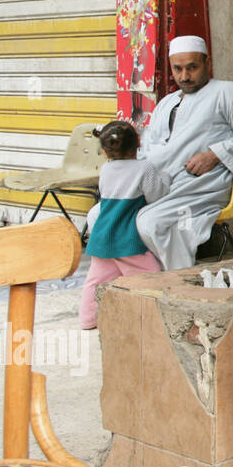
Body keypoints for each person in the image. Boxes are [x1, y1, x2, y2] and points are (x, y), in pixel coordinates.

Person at [136, 36, 233, 270]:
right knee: (101, 217)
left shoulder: (227, 92)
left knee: (150, 223)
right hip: (159, 183)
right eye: (178, 69)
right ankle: (140, 281)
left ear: (208, 62)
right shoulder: (167, 102)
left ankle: (178, 280)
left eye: (192, 67)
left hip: (200, 187)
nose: (184, 76)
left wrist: (214, 155)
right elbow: (149, 146)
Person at [79, 121, 170, 329]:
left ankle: (87, 319)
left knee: (95, 281)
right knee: (151, 276)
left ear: (104, 151)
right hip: (126, 238)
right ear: (137, 143)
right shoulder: (144, 167)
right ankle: (155, 318)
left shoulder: (106, 169)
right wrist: (164, 178)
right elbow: (156, 194)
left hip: (102, 236)